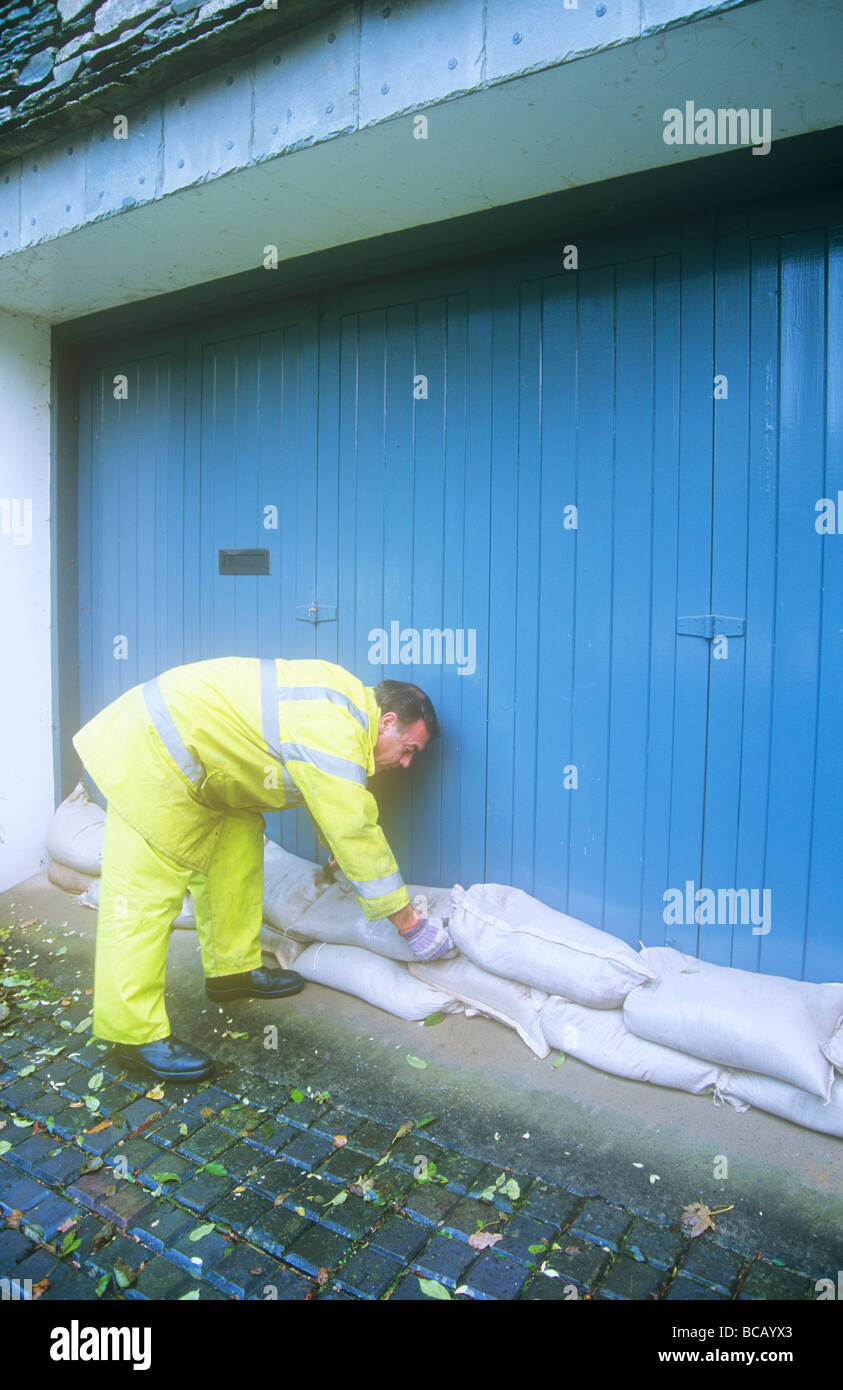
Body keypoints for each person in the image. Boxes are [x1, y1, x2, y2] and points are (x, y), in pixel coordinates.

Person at [71, 656, 452, 1081]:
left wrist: (335, 849)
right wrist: (410, 923)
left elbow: (323, 795)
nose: (405, 764)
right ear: (387, 722)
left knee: (237, 856)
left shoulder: (342, 708)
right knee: (144, 896)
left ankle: (231, 972)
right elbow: (353, 826)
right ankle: (132, 1035)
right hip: (153, 752)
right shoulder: (337, 721)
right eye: (408, 750)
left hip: (208, 771)